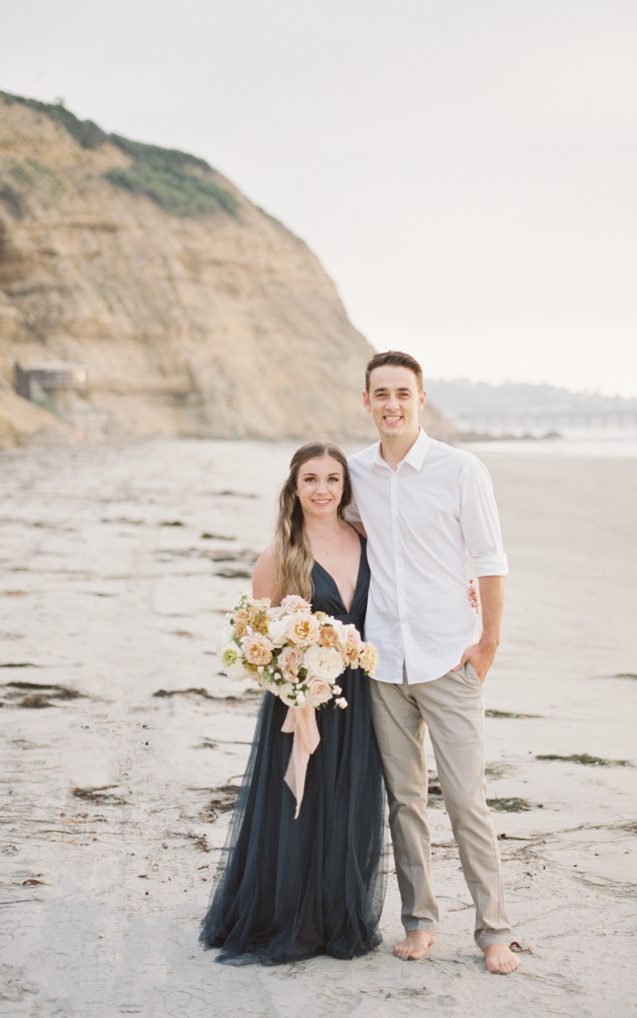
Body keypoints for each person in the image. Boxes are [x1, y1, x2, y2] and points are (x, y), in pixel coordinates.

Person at [346, 351, 519, 975]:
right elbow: (332, 531)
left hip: (450, 659)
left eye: (403, 393)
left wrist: (488, 643)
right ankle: (419, 923)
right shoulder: (355, 472)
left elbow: (490, 559)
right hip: (384, 663)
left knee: (467, 800)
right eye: (381, 394)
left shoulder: (461, 469)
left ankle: (494, 932)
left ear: (420, 399)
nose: (391, 404)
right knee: (404, 802)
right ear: (366, 401)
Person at [199, 442, 386, 964]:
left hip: (360, 694)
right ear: (295, 488)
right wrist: (298, 680)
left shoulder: (367, 540)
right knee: (297, 806)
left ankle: (334, 917)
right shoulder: (281, 555)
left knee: (350, 802)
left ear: (345, 487)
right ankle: (291, 919)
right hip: (300, 699)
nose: (322, 489)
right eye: (311, 480)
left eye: (332, 479)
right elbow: (257, 639)